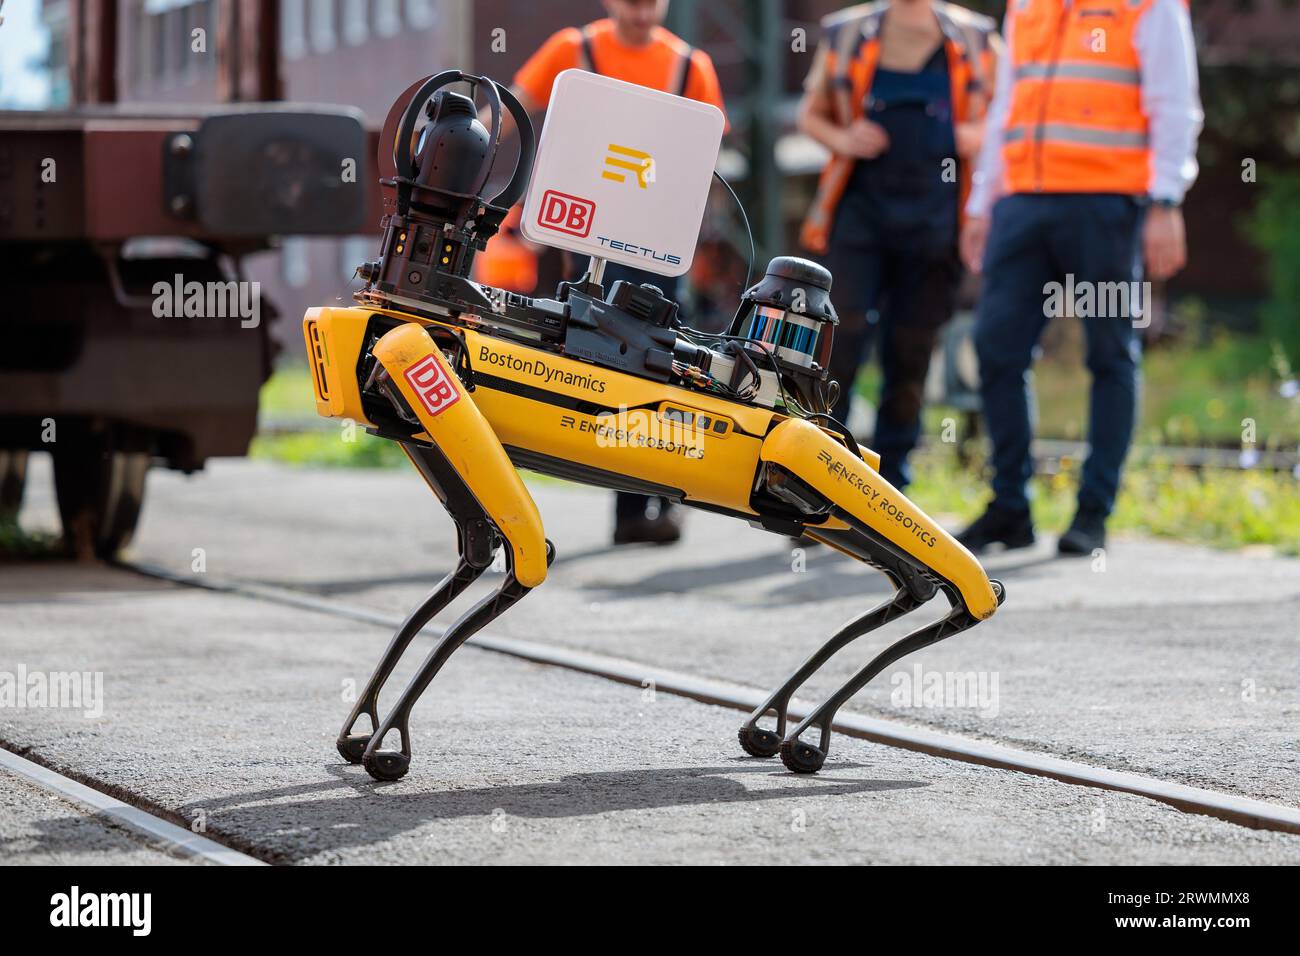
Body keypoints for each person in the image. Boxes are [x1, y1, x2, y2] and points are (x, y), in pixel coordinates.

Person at [956, 0, 1202, 556]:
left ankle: (1093, 514)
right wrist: (981, 202)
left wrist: (1165, 200)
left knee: (1110, 354)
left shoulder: (1149, 5)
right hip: (1023, 207)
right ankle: (1010, 509)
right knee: (996, 349)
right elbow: (1005, 107)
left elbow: (1175, 104)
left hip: (1106, 210)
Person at [507, 0, 728, 545]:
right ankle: (578, 480)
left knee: (651, 358)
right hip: (584, 235)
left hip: (655, 240)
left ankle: (638, 503)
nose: (641, 10)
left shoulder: (689, 66)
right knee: (587, 351)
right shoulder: (572, 50)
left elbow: (708, 147)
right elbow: (514, 107)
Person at [798, 0, 1000, 492]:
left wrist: (973, 134)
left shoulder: (977, 39)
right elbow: (810, 115)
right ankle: (820, 478)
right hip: (860, 217)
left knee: (910, 352)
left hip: (937, 223)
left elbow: (1011, 116)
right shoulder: (847, 32)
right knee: (838, 340)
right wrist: (844, 139)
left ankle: (892, 487)